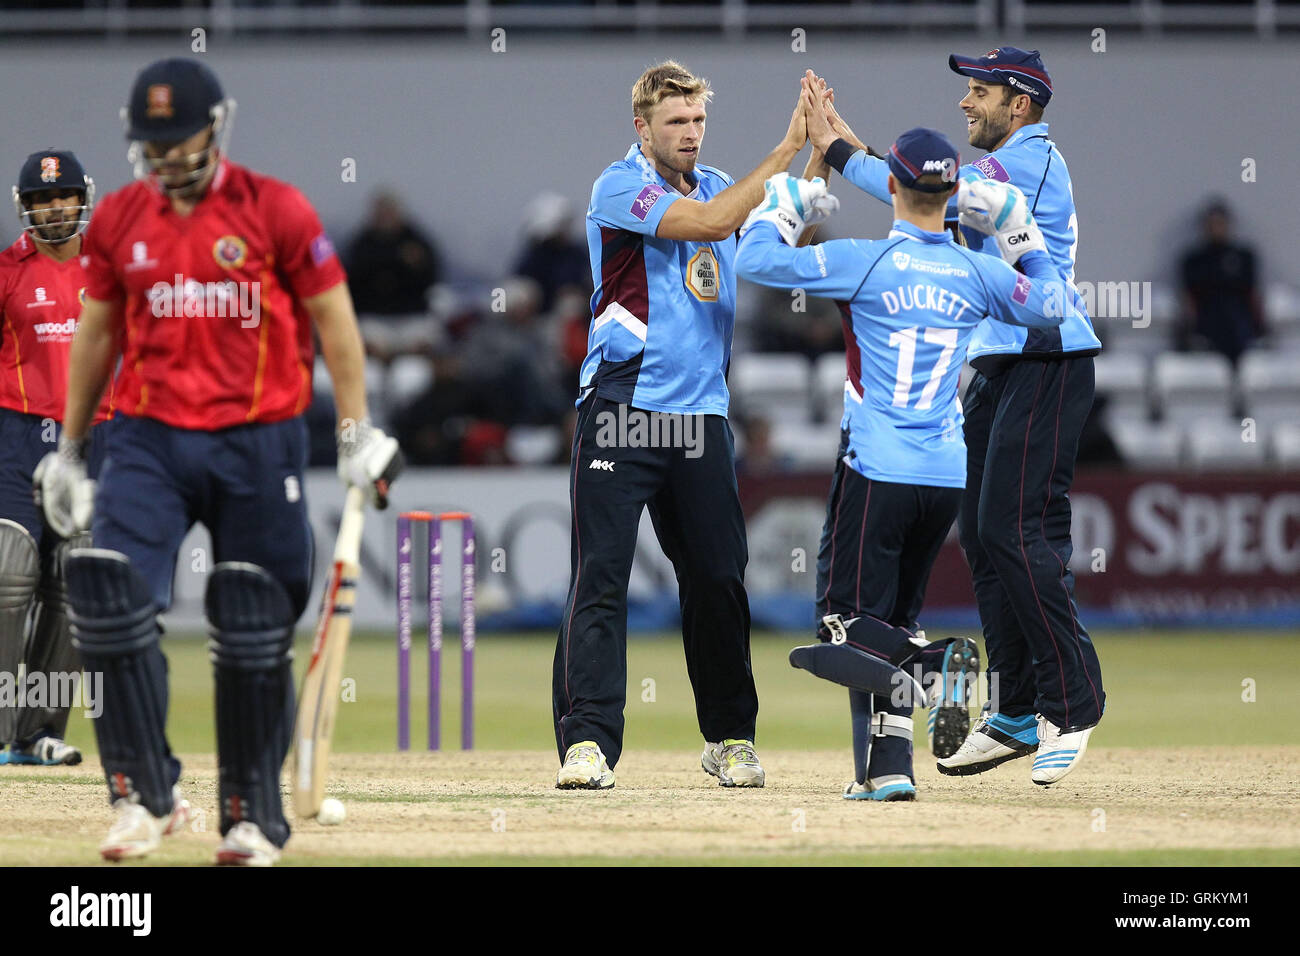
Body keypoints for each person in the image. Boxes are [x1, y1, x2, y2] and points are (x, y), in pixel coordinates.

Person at [35, 58, 401, 865]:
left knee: (253, 613)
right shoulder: (120, 220)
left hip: (258, 436)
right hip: (145, 435)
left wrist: (352, 429)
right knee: (107, 596)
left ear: (216, 126)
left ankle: (251, 814)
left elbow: (334, 321)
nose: (166, 156)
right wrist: (70, 446)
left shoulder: (275, 208)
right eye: (151, 143)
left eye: (179, 138)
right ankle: (142, 795)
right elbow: (97, 333)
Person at [737, 120, 1074, 799]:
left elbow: (754, 260)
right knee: (889, 625)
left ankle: (934, 663)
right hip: (946, 474)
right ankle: (888, 771)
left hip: (875, 465)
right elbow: (1052, 307)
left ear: (889, 185)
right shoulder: (976, 270)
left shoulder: (863, 260)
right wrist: (1020, 235)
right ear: (955, 195)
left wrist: (791, 204)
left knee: (844, 629)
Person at [806, 50, 1106, 785]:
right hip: (1002, 364)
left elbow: (925, 193)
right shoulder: (1002, 163)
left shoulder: (1031, 161)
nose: (967, 104)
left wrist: (839, 148)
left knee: (1019, 530)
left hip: (1049, 357)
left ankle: (1072, 705)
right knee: (980, 531)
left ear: (1022, 104)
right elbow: (921, 190)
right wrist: (848, 146)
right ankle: (1012, 708)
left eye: (981, 93)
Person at [552, 60, 809, 790]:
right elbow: (712, 221)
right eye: (675, 122)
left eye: (697, 120)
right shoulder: (618, 186)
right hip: (624, 408)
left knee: (719, 579)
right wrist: (788, 149)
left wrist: (819, 152)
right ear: (644, 127)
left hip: (698, 417)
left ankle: (729, 738)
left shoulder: (723, 180)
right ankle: (588, 744)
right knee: (600, 578)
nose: (690, 134)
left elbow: (771, 238)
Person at [0, 150, 111, 767]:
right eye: (42, 198)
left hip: (95, 438)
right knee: (8, 571)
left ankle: (38, 732)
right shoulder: (7, 271)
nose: (53, 206)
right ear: (26, 206)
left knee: (74, 580)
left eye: (63, 195)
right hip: (16, 433)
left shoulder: (111, 272)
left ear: (81, 199)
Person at [1178, 199, 1265, 364]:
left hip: (1239, 323)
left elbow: (1252, 295)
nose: (1216, 228)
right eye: (1212, 223)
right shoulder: (1194, 260)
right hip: (1208, 321)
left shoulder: (1243, 257)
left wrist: (1260, 328)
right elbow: (1189, 300)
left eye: (1220, 223)